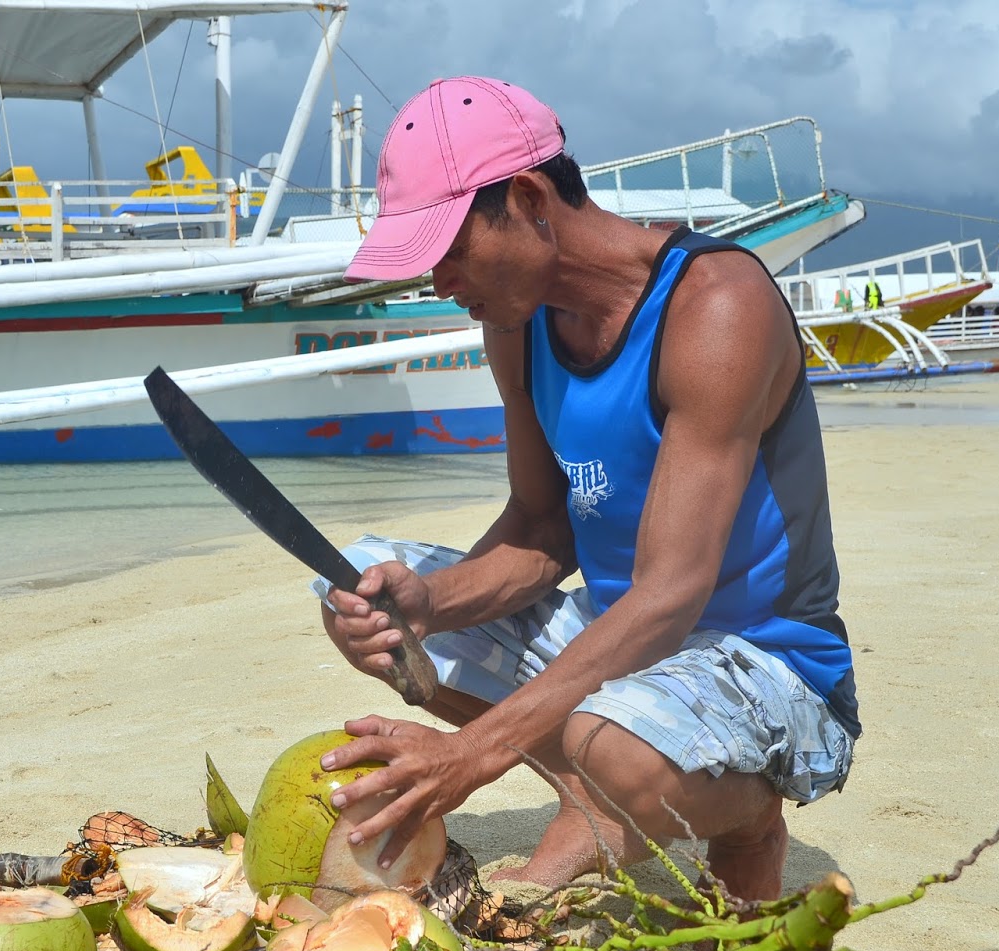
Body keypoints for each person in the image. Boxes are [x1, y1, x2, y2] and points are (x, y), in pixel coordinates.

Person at [312, 77, 859, 903]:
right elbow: (543, 529)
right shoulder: (516, 323)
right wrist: (427, 602)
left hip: (769, 664)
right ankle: (590, 789)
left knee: (614, 740)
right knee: (353, 586)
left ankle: (746, 820)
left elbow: (671, 594)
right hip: (621, 640)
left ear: (530, 199)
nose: (437, 281)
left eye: (448, 248)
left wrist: (473, 754)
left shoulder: (715, 307)